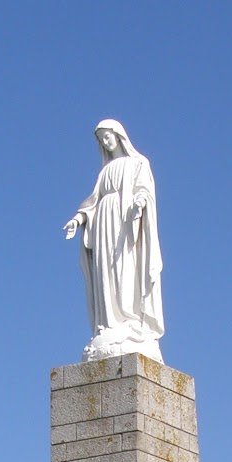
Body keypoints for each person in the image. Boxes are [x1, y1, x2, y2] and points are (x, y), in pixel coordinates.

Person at [63, 120, 165, 363]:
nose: (105, 142)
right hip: (102, 226)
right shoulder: (104, 172)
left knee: (125, 269)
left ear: (119, 136)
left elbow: (145, 190)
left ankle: (129, 320)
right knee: (105, 274)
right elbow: (93, 203)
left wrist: (140, 203)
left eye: (107, 136)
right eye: (101, 139)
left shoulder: (138, 163)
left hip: (126, 224)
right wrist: (78, 219)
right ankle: (108, 323)